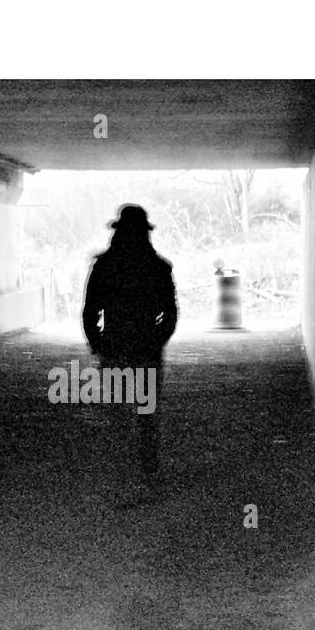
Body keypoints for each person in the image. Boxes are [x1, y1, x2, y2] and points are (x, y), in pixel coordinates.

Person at [82, 204, 178, 497]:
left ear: (118, 232)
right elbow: (170, 313)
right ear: (145, 234)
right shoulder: (158, 267)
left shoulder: (105, 266)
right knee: (146, 416)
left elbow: (90, 311)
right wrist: (157, 341)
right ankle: (148, 475)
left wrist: (98, 343)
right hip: (146, 351)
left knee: (117, 417)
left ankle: (122, 479)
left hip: (115, 350)